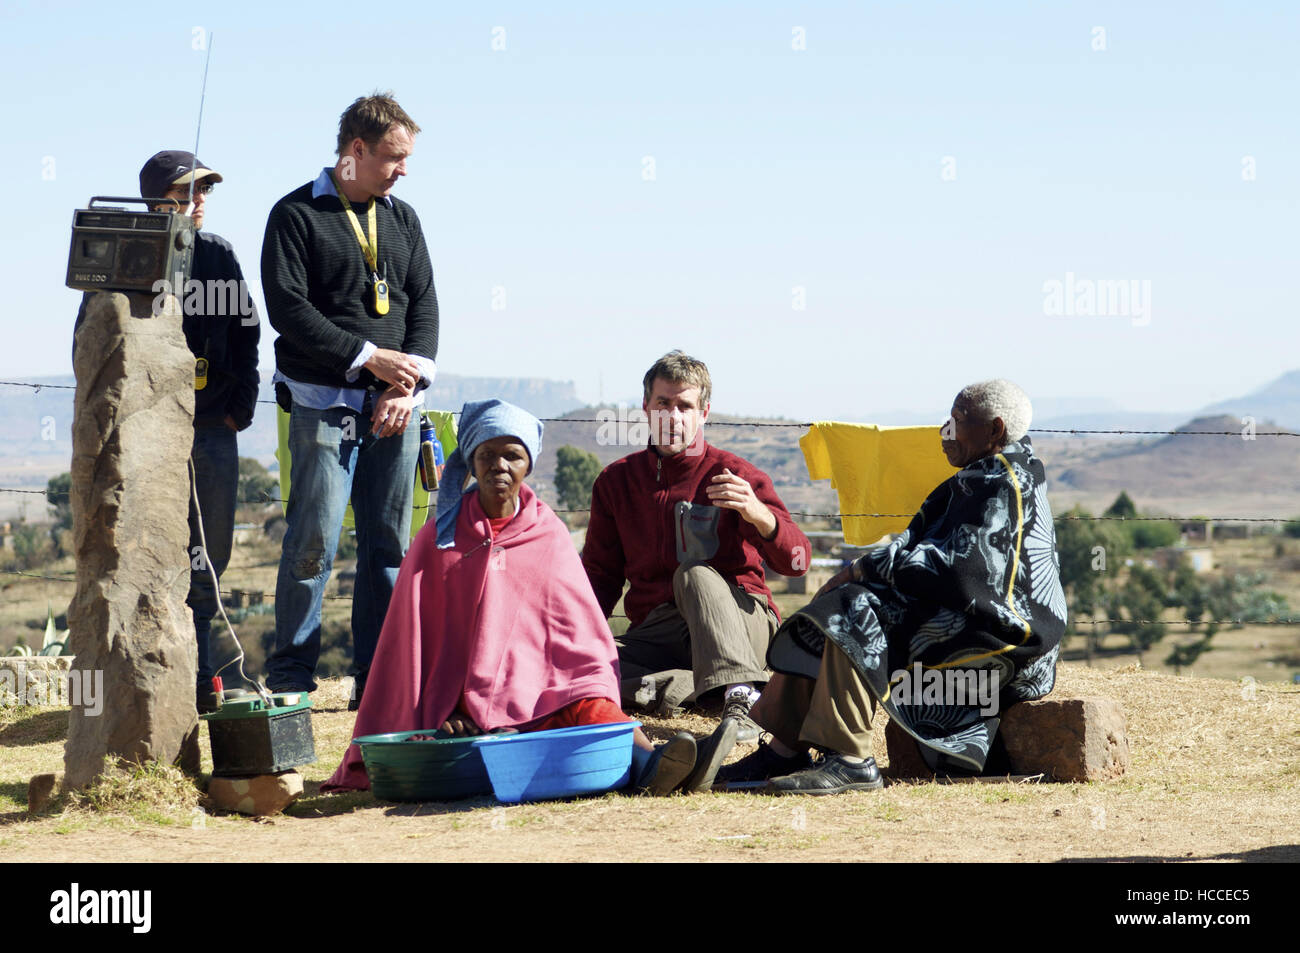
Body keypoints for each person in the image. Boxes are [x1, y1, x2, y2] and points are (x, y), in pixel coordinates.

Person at [324, 399, 714, 796]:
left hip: (542, 698)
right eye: (487, 454)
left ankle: (654, 764)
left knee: (594, 706)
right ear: (471, 460)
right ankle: (656, 769)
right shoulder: (437, 542)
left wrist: (586, 684)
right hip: (456, 713)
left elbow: (581, 641)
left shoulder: (548, 534)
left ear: (529, 464)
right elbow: (413, 650)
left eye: (512, 455)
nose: (499, 466)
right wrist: (449, 707)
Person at [712, 379, 1067, 794]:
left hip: (1009, 641)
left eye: (957, 422)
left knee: (854, 606)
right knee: (845, 607)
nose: (944, 432)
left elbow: (962, 570)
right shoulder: (998, 472)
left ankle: (848, 759)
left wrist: (864, 568)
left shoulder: (1002, 481)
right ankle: (784, 750)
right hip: (983, 619)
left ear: (994, 430)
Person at [260, 93, 439, 707]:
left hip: (397, 409)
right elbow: (289, 311)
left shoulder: (404, 218)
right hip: (322, 406)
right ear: (355, 151)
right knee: (313, 542)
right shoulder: (294, 215)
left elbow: (424, 306)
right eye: (394, 156)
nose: (403, 169)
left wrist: (404, 384)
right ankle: (291, 677)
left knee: (389, 549)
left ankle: (378, 680)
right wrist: (368, 359)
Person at [74, 150, 260, 713]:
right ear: (155, 200)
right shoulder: (123, 254)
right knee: (139, 558)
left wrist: (239, 406)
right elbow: (93, 339)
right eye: (185, 193)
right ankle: (140, 687)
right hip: (145, 435)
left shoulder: (219, 253)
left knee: (210, 558)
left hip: (211, 429)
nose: (197, 201)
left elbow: (249, 334)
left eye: (203, 192)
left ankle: (203, 680)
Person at [581, 351, 811, 744]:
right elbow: (599, 578)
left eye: (685, 406)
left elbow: (798, 561)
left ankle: (743, 697)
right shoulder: (615, 482)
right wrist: (576, 640)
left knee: (694, 573)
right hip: (660, 632)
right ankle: (688, 686)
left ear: (704, 412)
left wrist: (760, 515)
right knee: (582, 670)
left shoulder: (735, 475)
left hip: (740, 622)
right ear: (645, 408)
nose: (674, 416)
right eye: (663, 404)